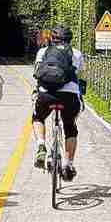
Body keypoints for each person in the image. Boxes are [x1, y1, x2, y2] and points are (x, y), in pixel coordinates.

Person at [32, 24, 84, 180]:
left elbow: (37, 73)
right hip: (69, 96)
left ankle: (41, 145)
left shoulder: (43, 52)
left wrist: (37, 91)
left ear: (52, 39)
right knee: (70, 126)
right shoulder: (76, 53)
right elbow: (79, 76)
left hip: (46, 94)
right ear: (69, 39)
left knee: (38, 117)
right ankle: (68, 164)